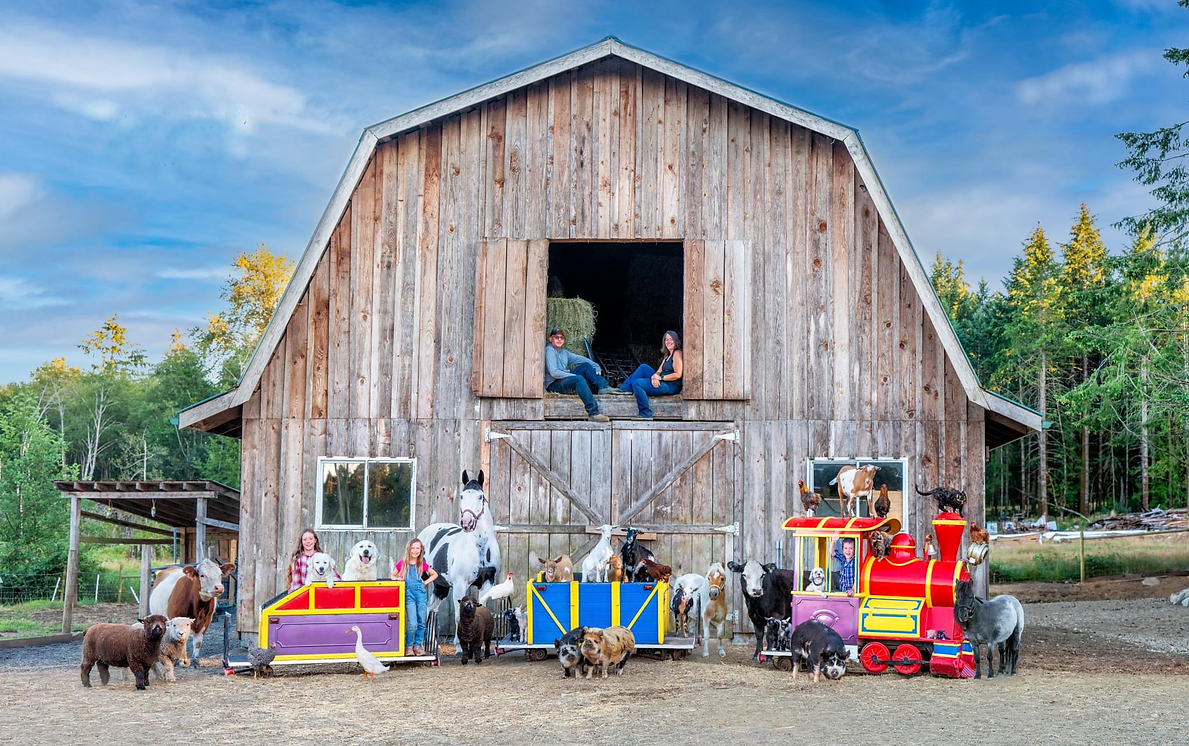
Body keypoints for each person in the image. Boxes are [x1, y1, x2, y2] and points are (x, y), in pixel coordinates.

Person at [544, 328, 612, 423]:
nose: (559, 340)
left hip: (565, 378)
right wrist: (572, 375)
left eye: (561, 338)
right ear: (551, 339)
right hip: (554, 384)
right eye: (556, 337)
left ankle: (604, 387)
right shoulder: (549, 350)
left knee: (586, 366)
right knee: (578, 379)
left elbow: (581, 359)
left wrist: (595, 365)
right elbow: (554, 373)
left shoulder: (564, 353)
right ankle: (593, 413)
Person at [618, 330, 683, 419]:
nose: (668, 342)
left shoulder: (677, 353)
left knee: (637, 383)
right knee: (643, 367)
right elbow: (658, 371)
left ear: (676, 341)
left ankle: (645, 413)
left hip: (670, 385)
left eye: (671, 339)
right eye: (666, 339)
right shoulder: (667, 356)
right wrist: (654, 377)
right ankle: (624, 389)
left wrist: (660, 378)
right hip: (662, 380)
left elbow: (678, 374)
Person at [391, 538, 438, 655]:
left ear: (421, 550)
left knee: (422, 621)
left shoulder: (422, 564)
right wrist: (398, 579)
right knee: (412, 623)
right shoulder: (403, 563)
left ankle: (418, 646)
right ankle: (409, 647)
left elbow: (434, 574)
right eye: (413, 548)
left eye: (418, 548)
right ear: (409, 549)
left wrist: (425, 582)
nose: (415, 551)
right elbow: (392, 575)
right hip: (408, 595)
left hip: (421, 595)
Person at [285, 528, 339, 592]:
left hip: (320, 593)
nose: (308, 541)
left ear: (315, 540)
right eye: (305, 539)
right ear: (301, 542)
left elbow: (336, 577)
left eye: (311, 539)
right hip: (301, 593)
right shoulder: (297, 559)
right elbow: (297, 584)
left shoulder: (323, 557)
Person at [830, 531, 857, 597]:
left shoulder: (855, 561)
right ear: (842, 549)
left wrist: (853, 590)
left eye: (851, 548)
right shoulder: (842, 558)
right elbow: (832, 552)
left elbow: (858, 577)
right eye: (845, 548)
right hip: (843, 591)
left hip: (852, 592)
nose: (848, 551)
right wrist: (833, 541)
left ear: (855, 550)